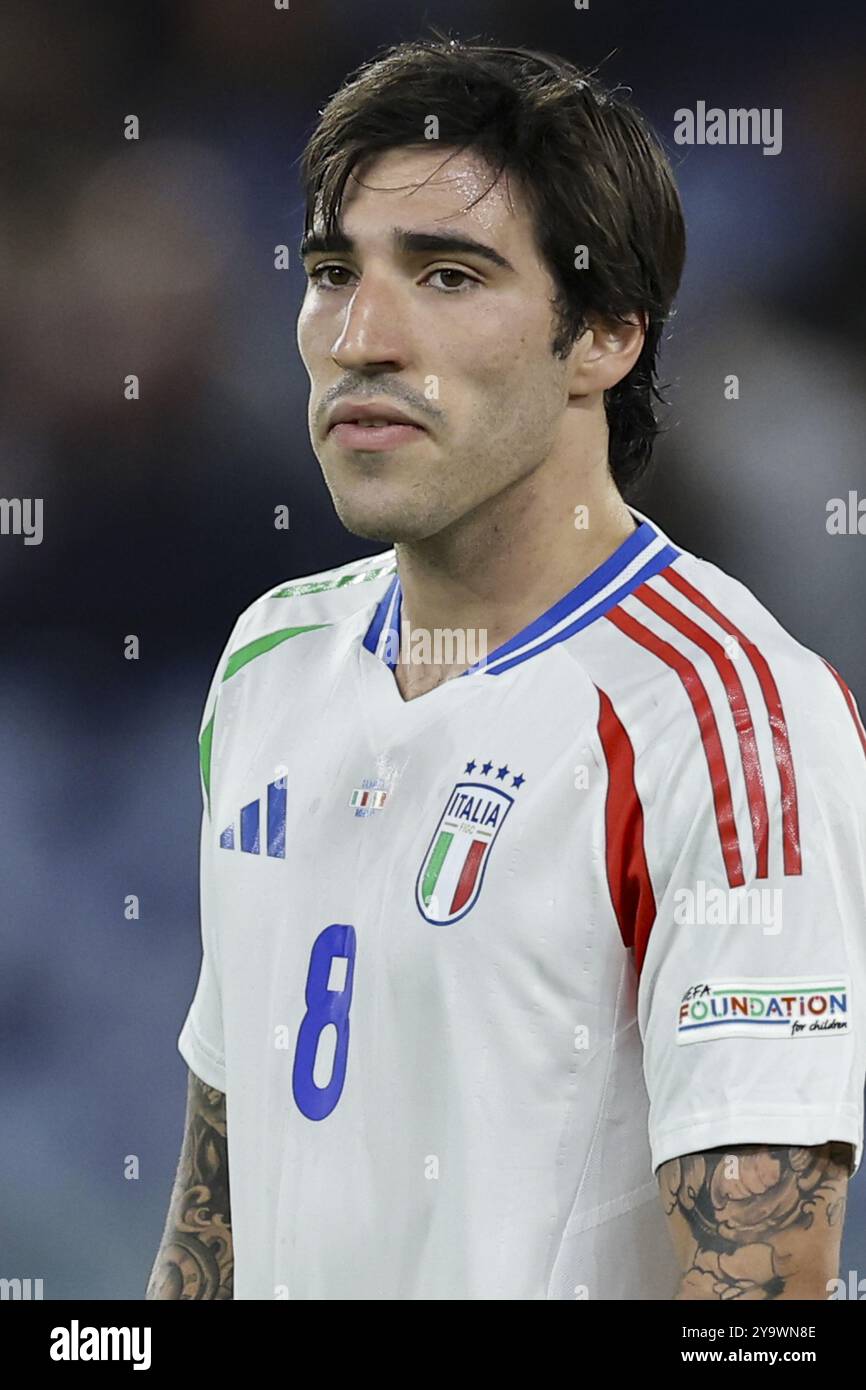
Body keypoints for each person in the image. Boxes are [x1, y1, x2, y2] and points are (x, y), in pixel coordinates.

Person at [147, 38, 866, 1301]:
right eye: (331, 272)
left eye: (445, 274)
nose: (362, 334)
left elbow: (766, 1298)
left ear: (602, 337)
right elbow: (220, 1191)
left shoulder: (722, 714)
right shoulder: (271, 657)